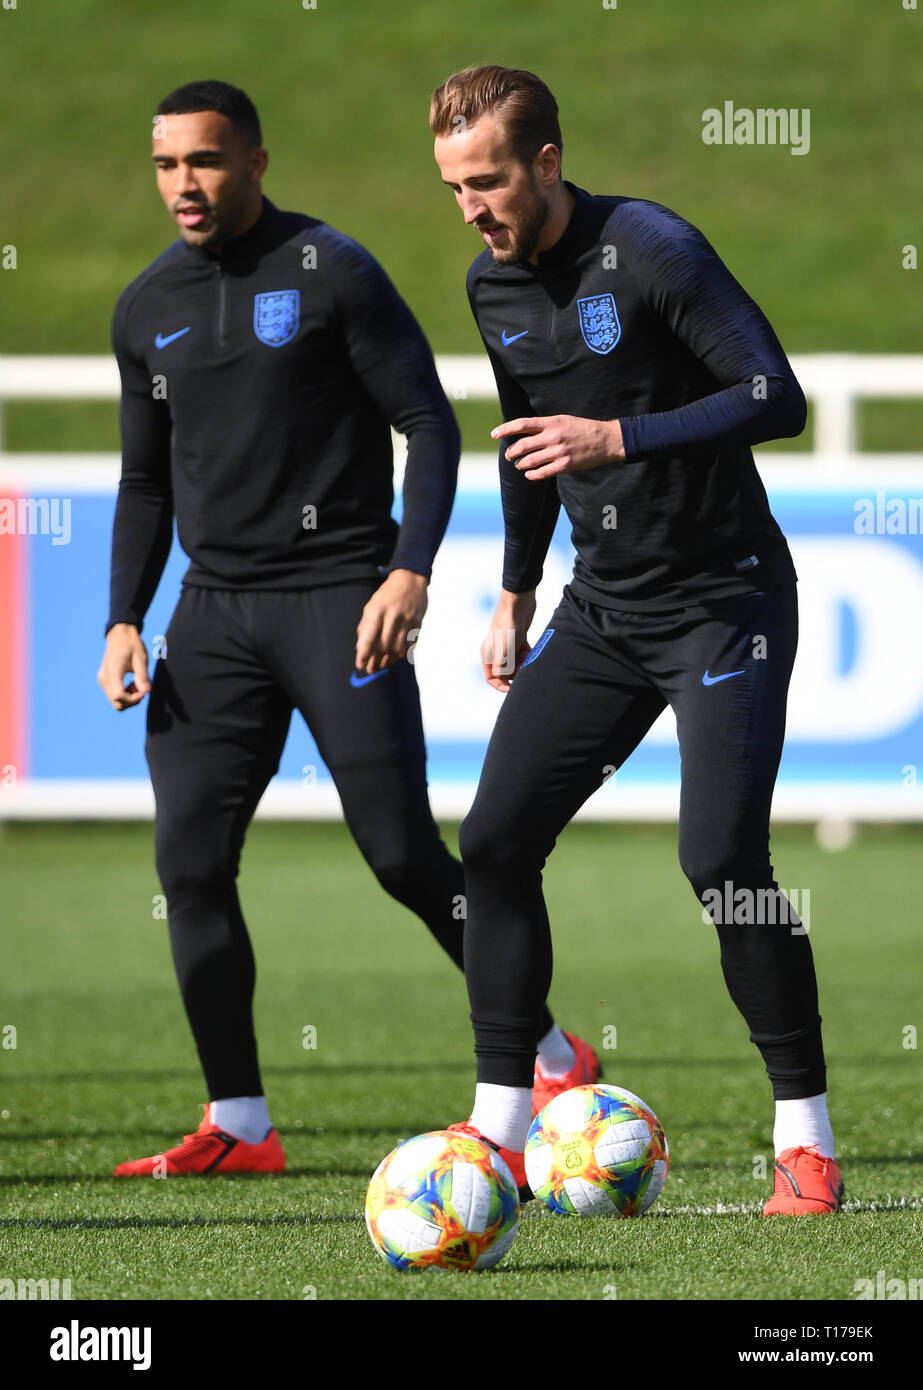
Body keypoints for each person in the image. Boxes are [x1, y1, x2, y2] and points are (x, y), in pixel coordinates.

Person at [98, 80, 596, 1177]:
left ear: (256, 162)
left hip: (339, 600)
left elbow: (429, 422)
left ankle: (553, 1052)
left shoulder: (332, 273)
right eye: (167, 164)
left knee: (401, 853)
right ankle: (239, 1123)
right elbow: (143, 479)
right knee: (188, 863)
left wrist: (407, 570)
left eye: (206, 161)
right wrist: (123, 618)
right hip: (212, 615)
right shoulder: (145, 307)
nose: (185, 184)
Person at [431, 65, 843, 1214]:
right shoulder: (489, 286)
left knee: (721, 864)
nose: (472, 206)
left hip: (724, 601)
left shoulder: (652, 248)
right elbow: (526, 445)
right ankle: (498, 1128)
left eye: (490, 180)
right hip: (602, 610)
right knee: (494, 839)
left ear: (547, 163)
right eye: (455, 187)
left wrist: (621, 434)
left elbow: (775, 393)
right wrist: (513, 589)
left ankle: (803, 1138)